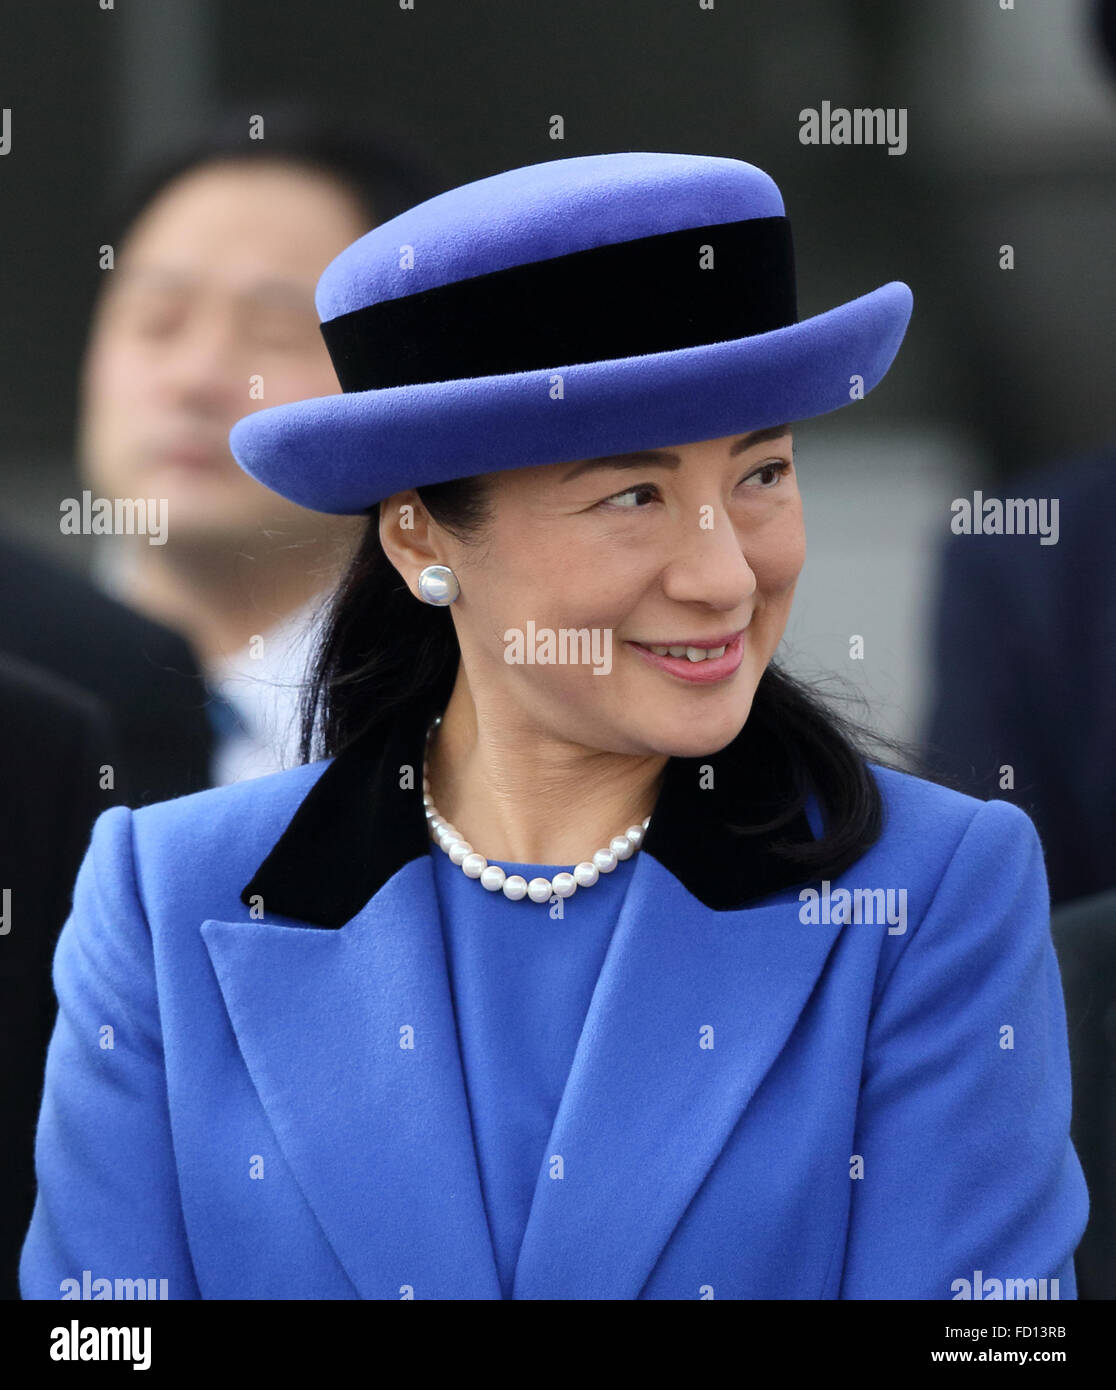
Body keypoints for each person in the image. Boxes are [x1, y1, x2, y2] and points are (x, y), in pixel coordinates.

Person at [19, 151, 1087, 1300]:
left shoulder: (932, 893)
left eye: (764, 473)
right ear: (422, 537)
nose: (725, 574)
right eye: (633, 496)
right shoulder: (168, 893)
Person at [77, 107, 440, 782]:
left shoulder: (477, 735)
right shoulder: (22, 680)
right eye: (157, 322)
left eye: (276, 333)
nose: (198, 380)